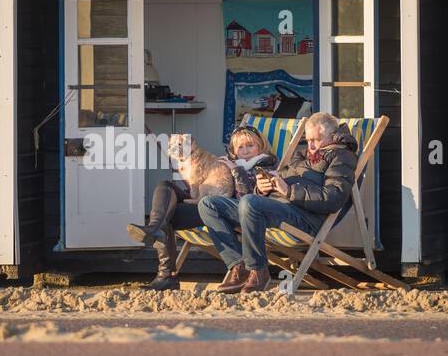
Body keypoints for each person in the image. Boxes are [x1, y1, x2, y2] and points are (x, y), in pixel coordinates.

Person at [198, 112, 358, 294]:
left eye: (317, 140)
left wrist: (288, 191)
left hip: (307, 218)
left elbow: (332, 199)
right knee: (208, 204)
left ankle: (258, 271)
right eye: (308, 139)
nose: (311, 145)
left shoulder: (342, 157)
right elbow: (281, 180)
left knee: (250, 202)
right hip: (278, 207)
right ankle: (238, 266)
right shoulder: (302, 154)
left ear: (331, 136)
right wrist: (263, 188)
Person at [128, 126, 276, 291]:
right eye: (240, 147)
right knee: (165, 191)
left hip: (226, 211)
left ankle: (165, 270)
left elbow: (247, 197)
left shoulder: (264, 165)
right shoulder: (229, 161)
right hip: (208, 204)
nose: (245, 150)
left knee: (169, 214)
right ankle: (156, 232)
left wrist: (235, 169)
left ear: (261, 145)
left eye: (250, 145)